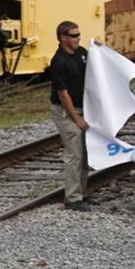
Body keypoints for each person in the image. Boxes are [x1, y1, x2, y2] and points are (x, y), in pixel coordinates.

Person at [49, 20, 90, 211]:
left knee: (85, 152)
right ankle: (73, 198)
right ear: (63, 38)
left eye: (78, 34)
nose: (78, 38)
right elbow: (63, 95)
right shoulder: (58, 62)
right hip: (66, 111)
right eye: (74, 35)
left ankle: (82, 193)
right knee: (75, 152)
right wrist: (77, 119)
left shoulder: (81, 53)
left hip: (82, 107)